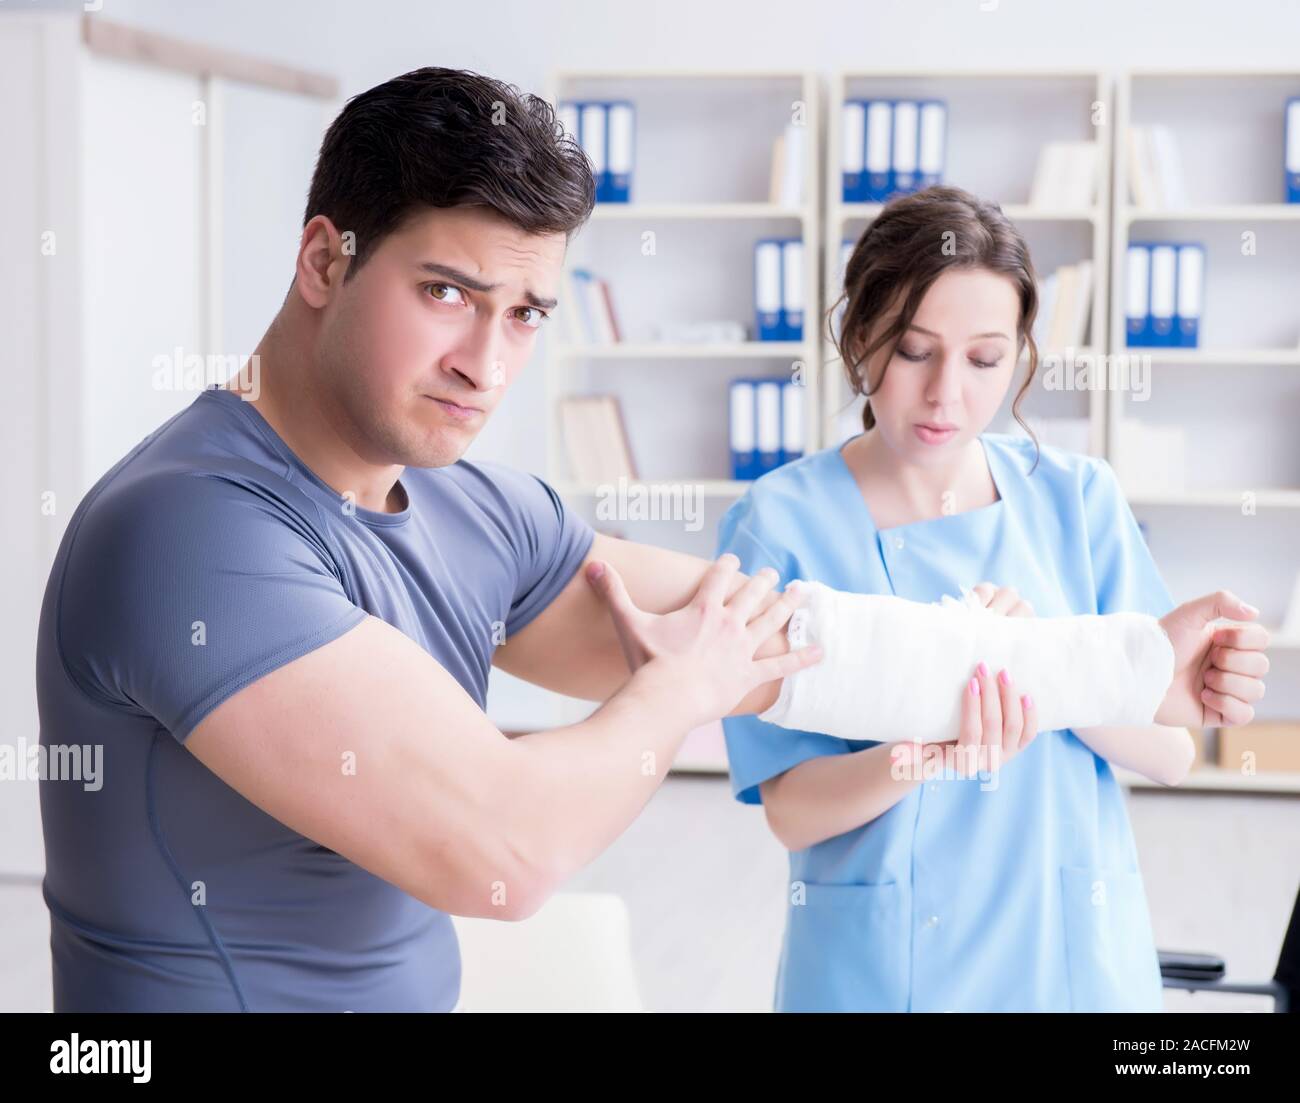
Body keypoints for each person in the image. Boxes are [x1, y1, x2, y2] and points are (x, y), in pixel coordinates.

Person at [36, 71, 1268, 1012]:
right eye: (446, 292)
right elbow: (506, 849)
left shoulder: (471, 504)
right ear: (324, 259)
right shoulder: (188, 529)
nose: (487, 363)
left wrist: (1132, 664)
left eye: (528, 312)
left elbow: (793, 637)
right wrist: (680, 688)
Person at [717, 185, 1270, 1012]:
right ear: (859, 336)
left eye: (984, 360)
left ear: (1019, 356)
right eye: (914, 350)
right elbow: (790, 810)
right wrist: (923, 750)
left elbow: (1171, 752)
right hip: (881, 967)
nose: (947, 393)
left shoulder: (1077, 498)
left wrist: (1040, 663)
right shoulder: (778, 522)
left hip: (1067, 959)